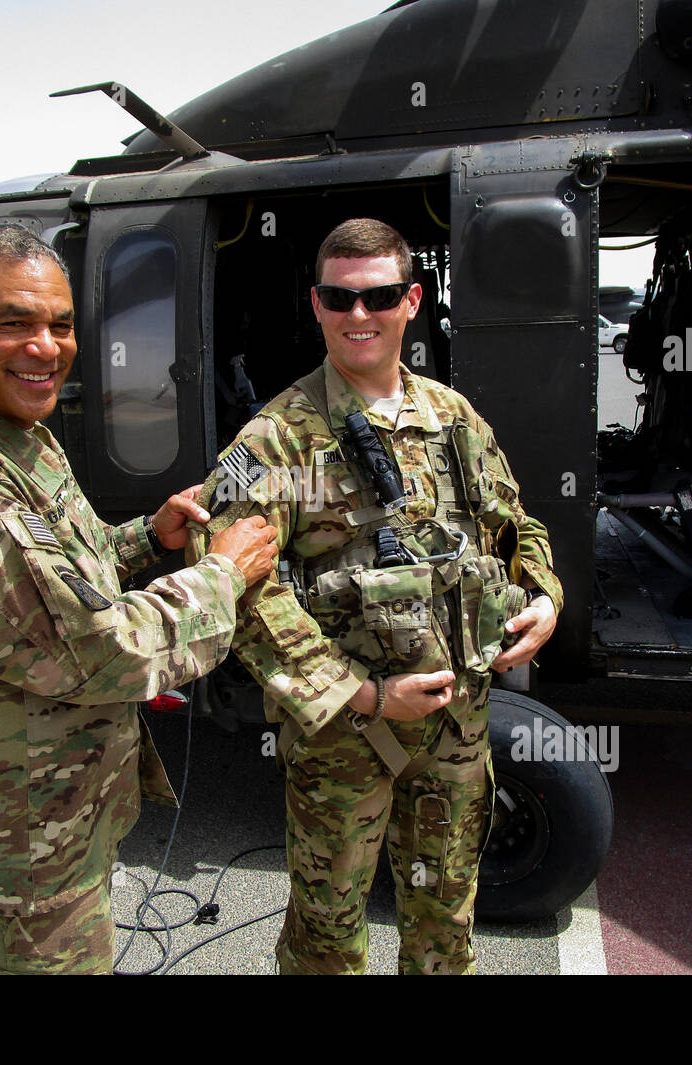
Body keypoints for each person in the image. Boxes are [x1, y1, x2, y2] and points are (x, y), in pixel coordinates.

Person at [0, 226, 277, 974]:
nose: (45, 347)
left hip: (54, 831)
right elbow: (94, 651)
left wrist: (147, 538)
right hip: (10, 865)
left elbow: (58, 581)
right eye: (15, 322)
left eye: (59, 325)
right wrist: (224, 572)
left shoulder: (16, 434)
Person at [188, 218, 562, 974]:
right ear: (318, 305)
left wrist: (545, 598)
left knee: (445, 927)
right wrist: (361, 693)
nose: (361, 315)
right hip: (345, 742)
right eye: (340, 298)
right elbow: (237, 591)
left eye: (380, 296)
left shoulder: (455, 419)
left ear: (412, 300)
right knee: (327, 939)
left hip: (458, 732)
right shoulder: (274, 441)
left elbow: (517, 526)